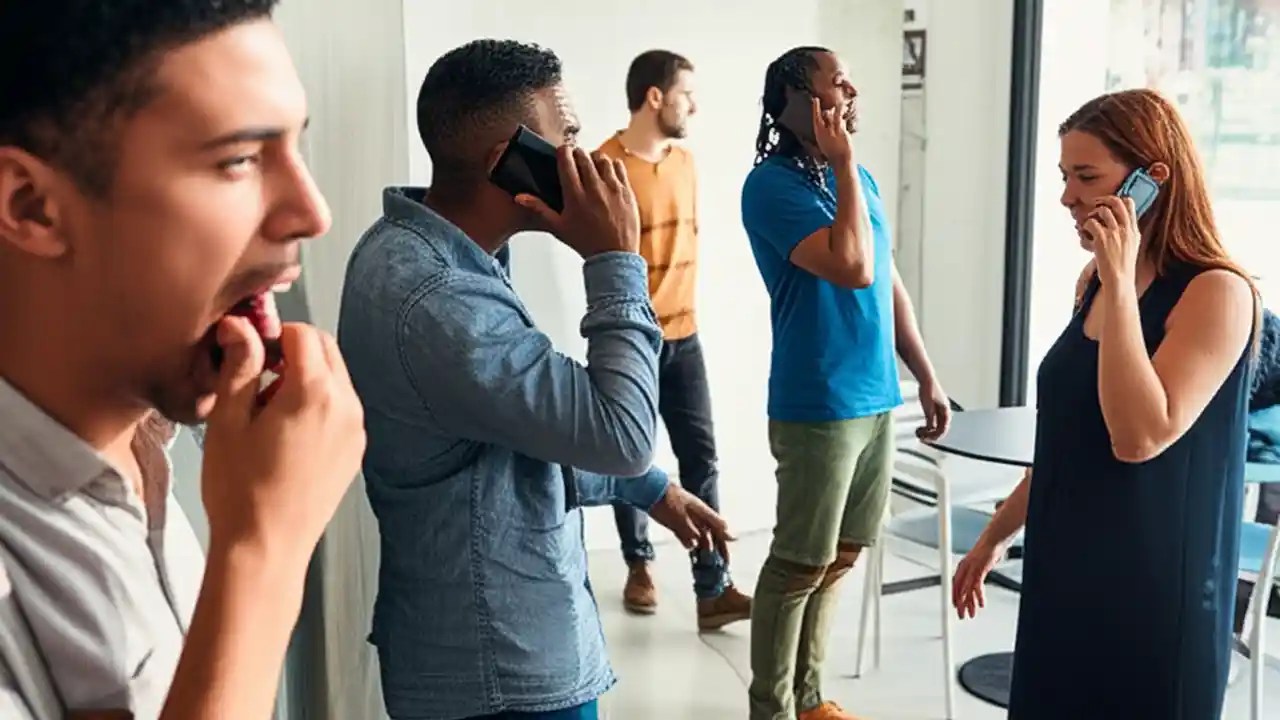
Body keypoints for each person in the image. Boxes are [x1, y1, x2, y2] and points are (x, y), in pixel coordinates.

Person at [337, 39, 733, 720]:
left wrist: (654, 491)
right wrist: (614, 257)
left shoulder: (416, 250)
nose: (587, 160)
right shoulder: (440, 300)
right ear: (507, 162)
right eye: (568, 138)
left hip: (481, 656)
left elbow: (519, 426)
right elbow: (623, 435)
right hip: (503, 677)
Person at [0, 2, 365, 719]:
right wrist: (261, 555)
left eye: (298, 147)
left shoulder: (158, 450)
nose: (312, 211)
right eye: (239, 160)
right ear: (33, 205)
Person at [951, 88, 1260, 719]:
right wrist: (994, 537)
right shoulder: (1093, 284)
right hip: (1065, 575)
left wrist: (1119, 281)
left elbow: (1138, 435)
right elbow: (1070, 443)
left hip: (1152, 592)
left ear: (1153, 179)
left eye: (1087, 177)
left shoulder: (1217, 294)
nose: (1068, 196)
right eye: (1064, 177)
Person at [740, 46, 951, 720]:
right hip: (818, 402)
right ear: (793, 103)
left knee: (842, 556)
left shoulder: (858, 178)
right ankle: (770, 708)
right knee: (799, 562)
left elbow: (890, 287)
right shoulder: (770, 188)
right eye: (834, 82)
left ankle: (809, 698)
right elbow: (853, 265)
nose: (850, 89)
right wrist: (840, 166)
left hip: (877, 398)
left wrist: (925, 374)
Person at [593, 49, 752, 629]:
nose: (695, 105)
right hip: (630, 339)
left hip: (686, 336)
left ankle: (713, 587)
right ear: (654, 96)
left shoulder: (685, 163)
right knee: (629, 454)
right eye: (686, 93)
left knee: (701, 459)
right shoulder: (603, 166)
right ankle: (638, 564)